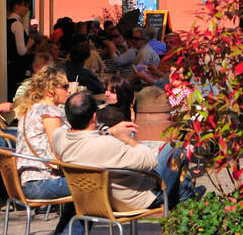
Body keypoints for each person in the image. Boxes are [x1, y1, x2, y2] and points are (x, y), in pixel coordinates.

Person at [51, 92, 197, 218]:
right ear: (94, 117)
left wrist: (111, 131)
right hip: (135, 200)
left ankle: (187, 193)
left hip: (98, 200)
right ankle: (185, 195)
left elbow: (84, 137)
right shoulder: (106, 145)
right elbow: (150, 160)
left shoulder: (59, 137)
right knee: (175, 147)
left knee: (181, 181)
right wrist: (127, 138)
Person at [13, 70, 83, 235]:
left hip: (27, 182)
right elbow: (58, 152)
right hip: (41, 183)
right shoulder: (50, 112)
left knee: (80, 183)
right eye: (65, 86)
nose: (69, 91)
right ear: (51, 91)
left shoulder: (30, 110)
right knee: (91, 185)